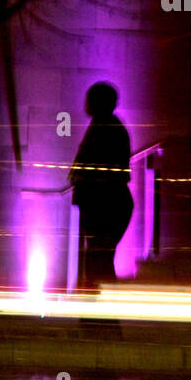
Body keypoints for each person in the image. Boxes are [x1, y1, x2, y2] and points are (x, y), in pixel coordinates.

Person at [69, 82, 133, 293]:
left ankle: (99, 318)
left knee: (98, 262)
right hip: (110, 203)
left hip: (104, 204)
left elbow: (99, 170)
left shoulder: (103, 128)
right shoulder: (108, 127)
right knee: (101, 261)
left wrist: (82, 180)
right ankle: (101, 317)